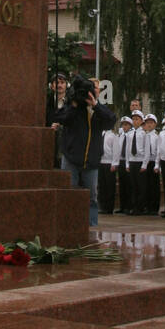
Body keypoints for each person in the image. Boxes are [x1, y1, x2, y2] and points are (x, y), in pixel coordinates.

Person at [55, 75, 113, 228]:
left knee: (91, 197)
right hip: (71, 158)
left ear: (98, 91)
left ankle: (91, 226)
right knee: (69, 194)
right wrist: (74, 105)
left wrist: (95, 106)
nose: (90, 91)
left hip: (92, 161)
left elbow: (110, 121)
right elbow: (62, 118)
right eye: (89, 88)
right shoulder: (73, 106)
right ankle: (66, 224)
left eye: (94, 88)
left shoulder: (100, 109)